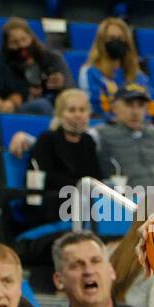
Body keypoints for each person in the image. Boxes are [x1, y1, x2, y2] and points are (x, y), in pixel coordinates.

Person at [20, 89, 107, 231]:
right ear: (60, 114)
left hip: (83, 199)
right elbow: (45, 177)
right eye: (72, 110)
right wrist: (80, 186)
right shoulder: (48, 139)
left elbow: (96, 176)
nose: (78, 115)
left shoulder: (88, 141)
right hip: (53, 201)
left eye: (82, 110)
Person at [92, 84, 154, 190]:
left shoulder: (153, 131)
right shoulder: (99, 133)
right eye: (129, 105)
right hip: (129, 200)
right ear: (114, 107)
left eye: (140, 105)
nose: (135, 112)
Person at [77, 17, 148, 117]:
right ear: (102, 42)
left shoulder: (138, 75)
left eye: (121, 39)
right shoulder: (89, 72)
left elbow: (146, 107)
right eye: (111, 38)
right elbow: (93, 108)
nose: (117, 42)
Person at [0, 18, 72, 112]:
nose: (21, 45)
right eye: (14, 42)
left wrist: (61, 85)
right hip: (22, 109)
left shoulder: (53, 58)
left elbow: (70, 88)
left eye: (24, 39)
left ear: (31, 38)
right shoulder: (4, 65)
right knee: (41, 105)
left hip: (56, 106)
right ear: (7, 45)